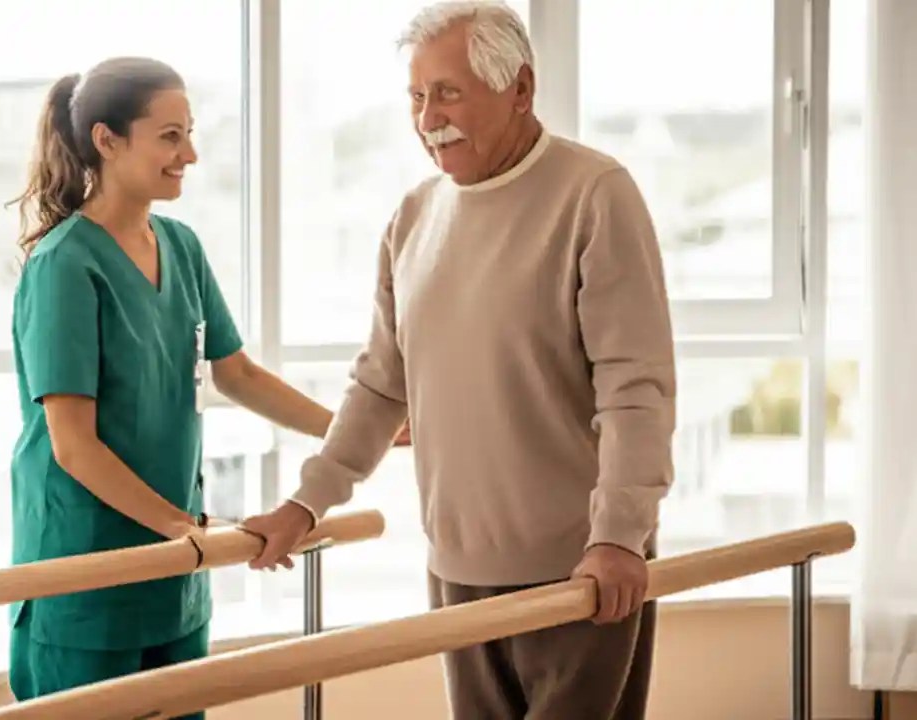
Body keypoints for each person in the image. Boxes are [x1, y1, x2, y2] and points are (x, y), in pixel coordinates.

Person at [240, 2, 677, 719]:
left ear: (521, 89)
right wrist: (304, 503)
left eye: (447, 92)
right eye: (416, 96)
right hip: (457, 569)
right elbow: (381, 385)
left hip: (581, 571)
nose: (427, 117)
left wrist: (620, 536)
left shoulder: (594, 195)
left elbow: (637, 391)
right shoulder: (413, 216)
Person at [3, 57, 382, 712]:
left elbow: (240, 375)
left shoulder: (180, 246)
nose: (191, 154)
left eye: (190, 133)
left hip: (176, 577)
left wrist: (359, 433)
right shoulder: (64, 265)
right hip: (89, 581)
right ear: (107, 139)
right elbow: (73, 445)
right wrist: (185, 528)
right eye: (170, 136)